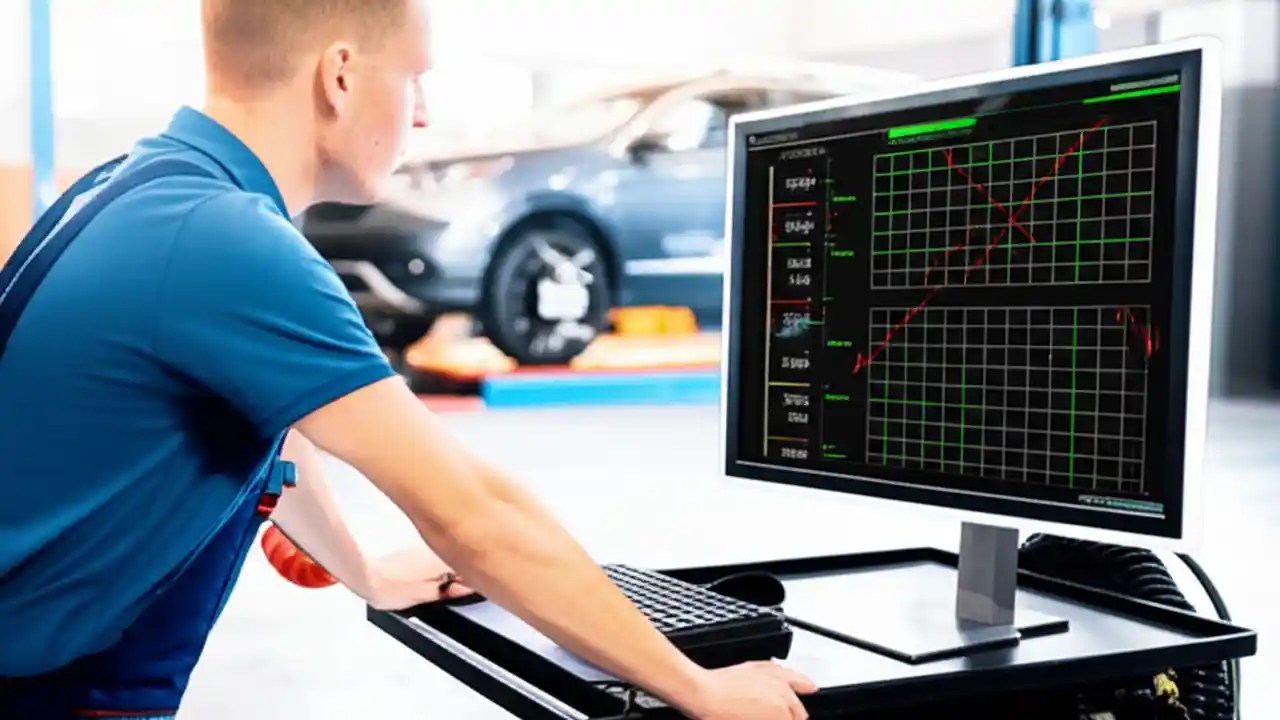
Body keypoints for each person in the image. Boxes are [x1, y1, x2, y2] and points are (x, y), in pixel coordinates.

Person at [0, 1, 818, 718]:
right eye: (415, 79)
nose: (421, 114)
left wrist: (361, 569)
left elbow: (261, 420)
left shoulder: (136, 186)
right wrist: (697, 688)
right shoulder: (228, 242)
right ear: (342, 77)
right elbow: (471, 512)